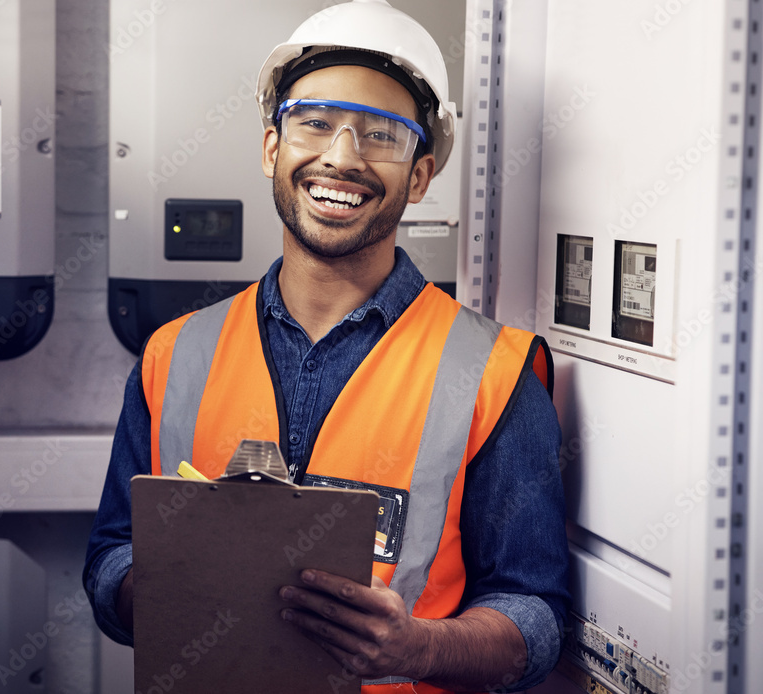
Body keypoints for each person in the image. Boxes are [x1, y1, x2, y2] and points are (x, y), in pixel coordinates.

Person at [84, 1, 570, 691]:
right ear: (271, 149)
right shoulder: (173, 355)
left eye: (381, 134)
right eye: (314, 123)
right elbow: (110, 556)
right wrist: (172, 588)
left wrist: (418, 649)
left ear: (420, 176)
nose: (341, 158)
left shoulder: (495, 373)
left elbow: (535, 615)